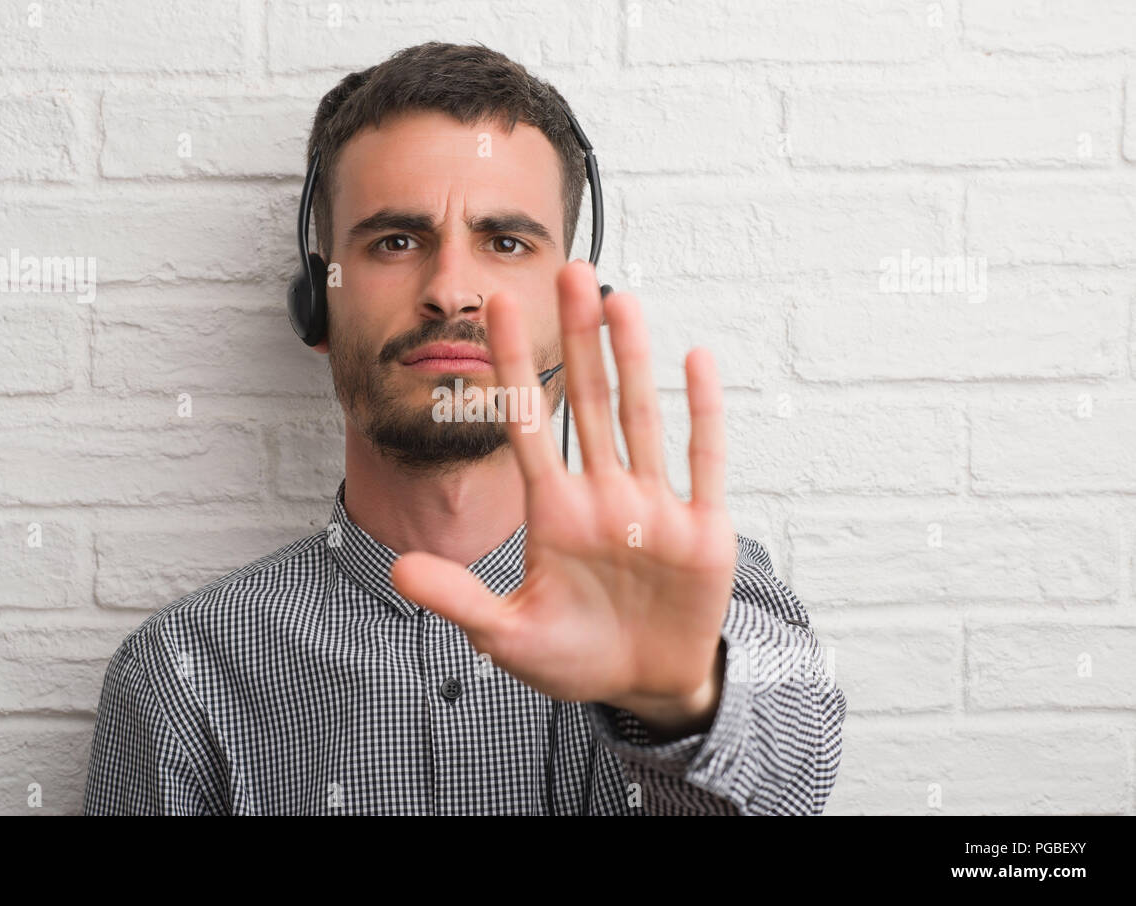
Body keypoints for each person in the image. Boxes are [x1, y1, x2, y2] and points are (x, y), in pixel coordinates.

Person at [82, 41, 846, 815]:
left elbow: (796, 774)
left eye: (506, 242)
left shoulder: (699, 586)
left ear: (573, 299)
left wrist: (680, 700)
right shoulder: (180, 671)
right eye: (396, 241)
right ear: (317, 302)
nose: (451, 292)